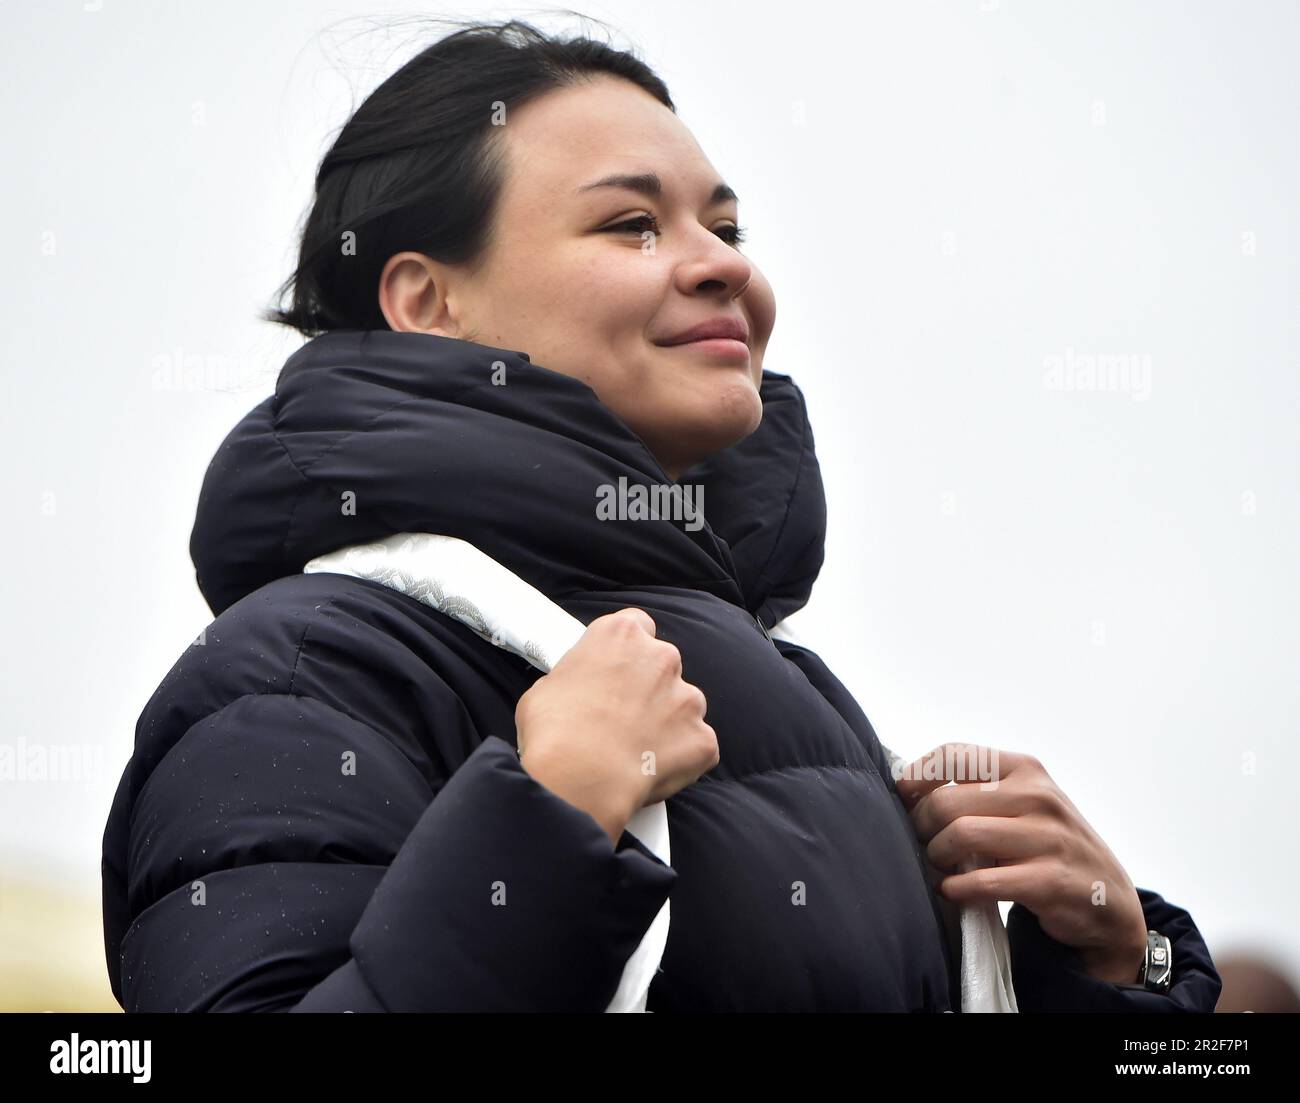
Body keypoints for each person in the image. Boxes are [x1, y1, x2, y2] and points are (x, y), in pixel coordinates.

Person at [101, 18, 1221, 1012]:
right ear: (427, 303)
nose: (720, 266)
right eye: (633, 223)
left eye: (726, 228)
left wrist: (1125, 970)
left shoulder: (810, 701)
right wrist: (544, 826)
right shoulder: (293, 678)